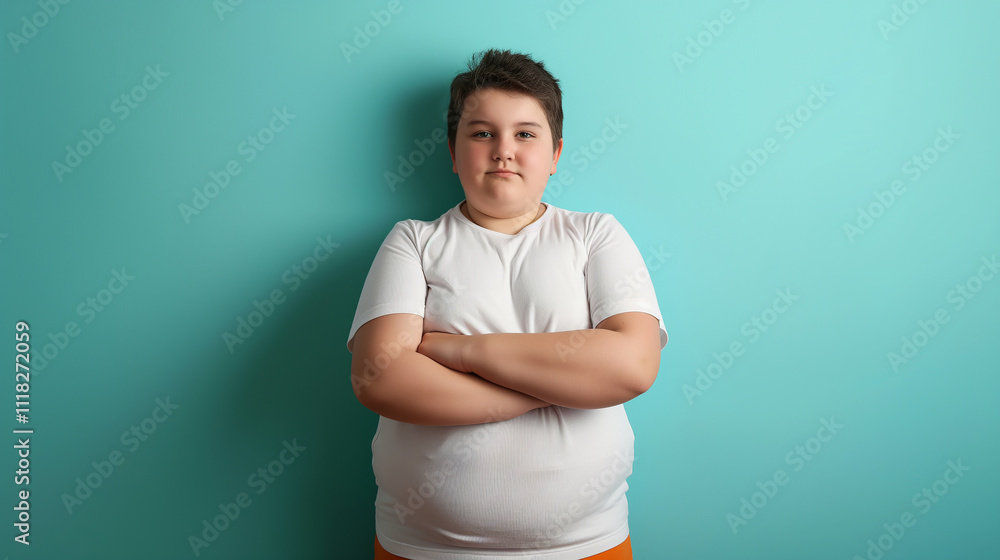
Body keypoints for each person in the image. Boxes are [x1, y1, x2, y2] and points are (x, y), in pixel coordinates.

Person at [347, 48, 668, 560]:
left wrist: (463, 353)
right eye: (481, 133)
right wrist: (550, 390)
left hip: (587, 545)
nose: (503, 151)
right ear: (452, 153)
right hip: (425, 547)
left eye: (525, 133)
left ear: (556, 152)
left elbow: (632, 364)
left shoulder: (595, 235)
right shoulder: (413, 241)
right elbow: (380, 375)